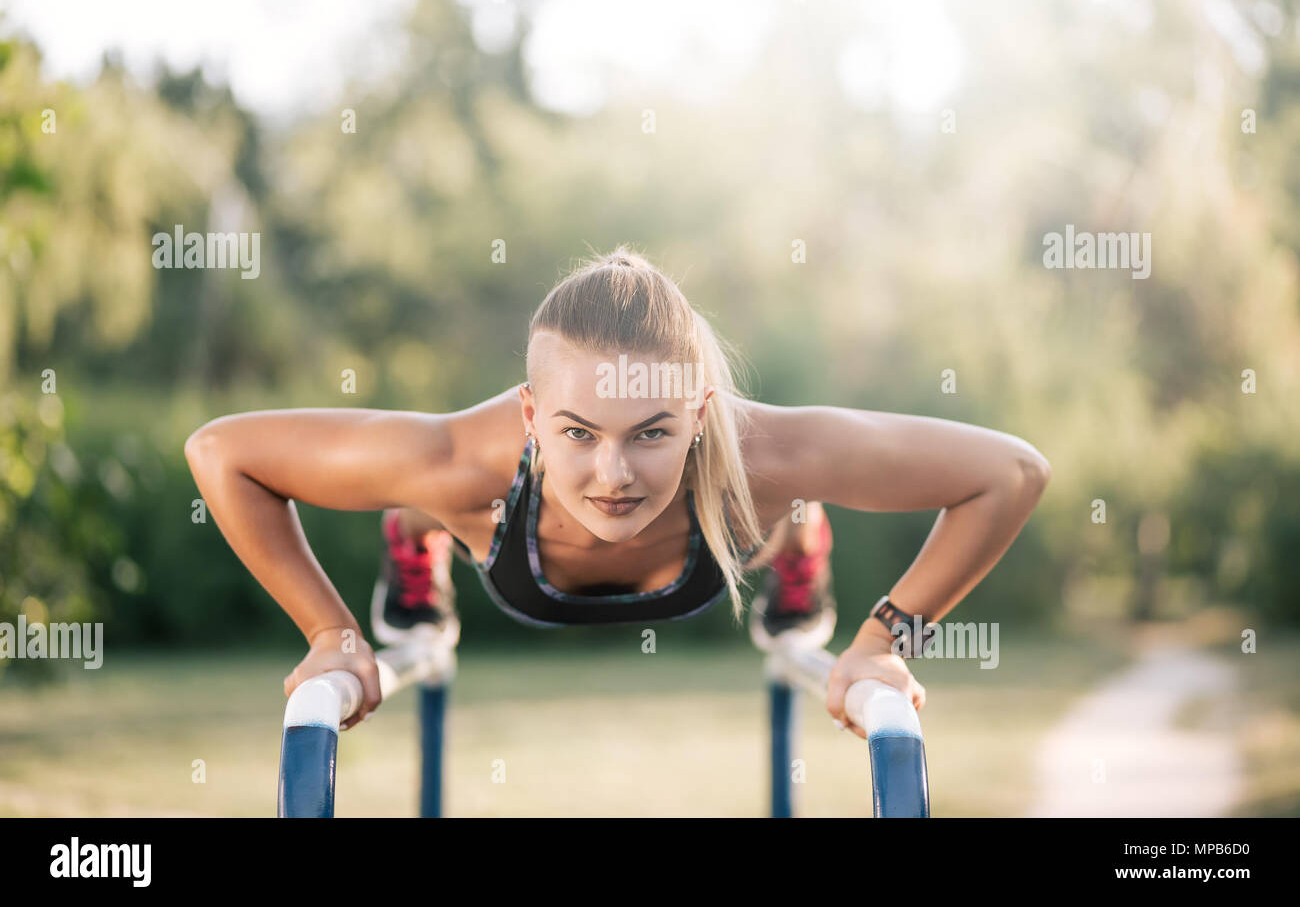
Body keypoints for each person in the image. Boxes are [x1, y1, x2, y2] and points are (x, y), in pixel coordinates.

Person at [185, 247, 1051, 738]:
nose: (613, 475)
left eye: (651, 432)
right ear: (530, 412)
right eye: (576, 432)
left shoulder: (761, 451)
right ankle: (416, 546)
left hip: (726, 535)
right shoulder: (464, 460)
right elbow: (222, 452)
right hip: (499, 539)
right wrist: (330, 632)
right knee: (427, 495)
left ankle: (800, 545)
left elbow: (1010, 473)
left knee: (774, 506)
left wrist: (882, 638)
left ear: (700, 411)